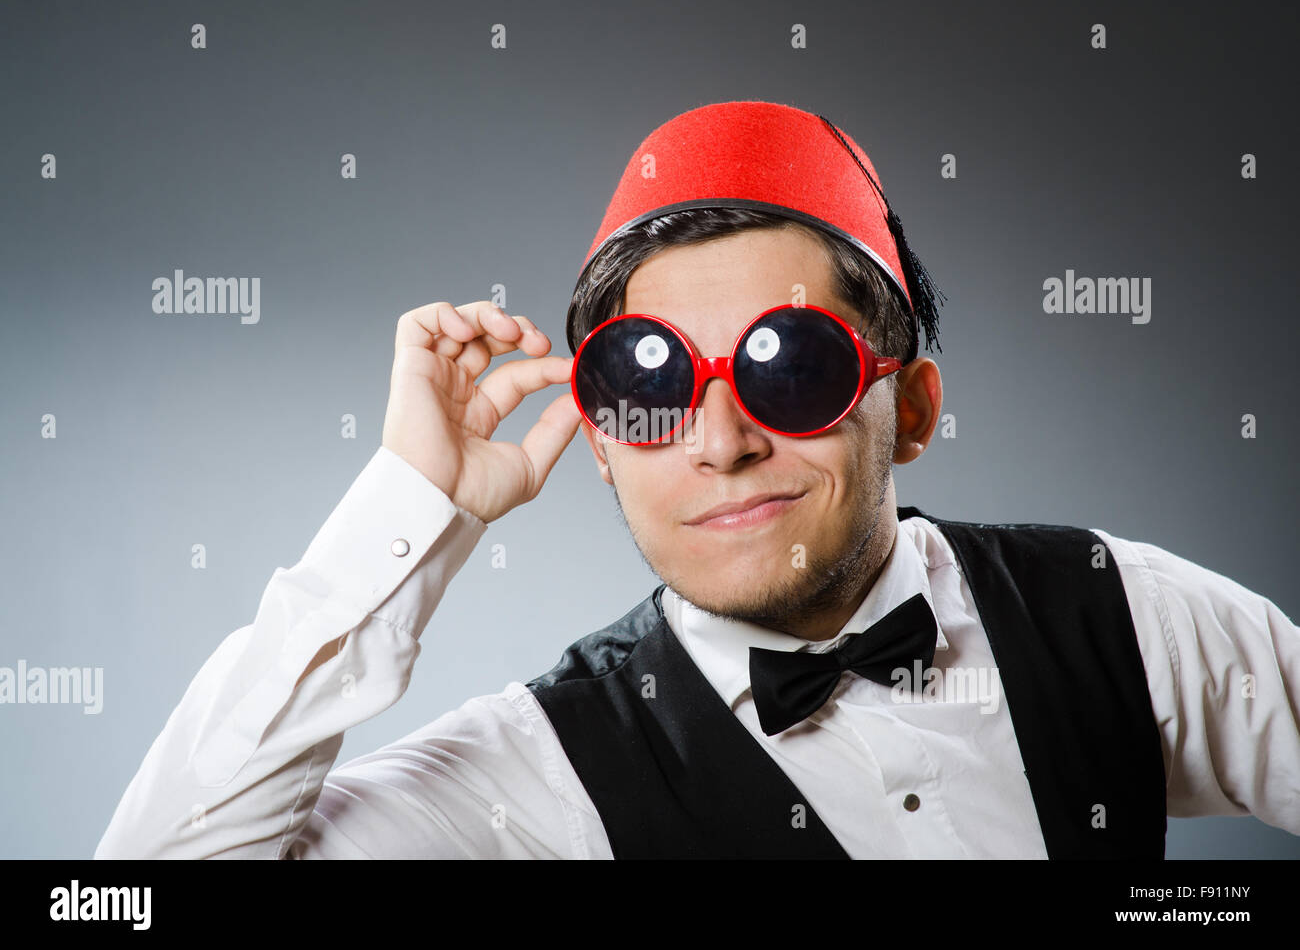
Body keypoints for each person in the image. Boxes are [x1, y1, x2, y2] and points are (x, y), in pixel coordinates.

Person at [95, 100, 1300, 859]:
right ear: (603, 441)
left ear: (911, 408)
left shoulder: (1118, 616)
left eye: (791, 368)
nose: (717, 441)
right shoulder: (540, 777)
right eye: (650, 384)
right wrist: (416, 504)